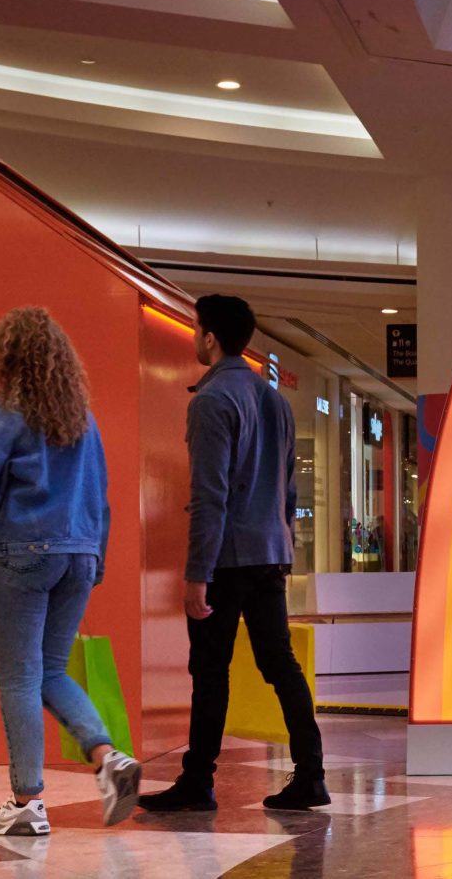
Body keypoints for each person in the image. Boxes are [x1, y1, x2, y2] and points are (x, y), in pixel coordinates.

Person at [0, 307, 142, 834]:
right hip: (79, 555)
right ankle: (108, 758)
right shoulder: (82, 422)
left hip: (19, 557)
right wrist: (94, 561)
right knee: (50, 671)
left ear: (5, 358)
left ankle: (27, 802)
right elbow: (100, 497)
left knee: (20, 679)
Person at [141, 295, 328, 813]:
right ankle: (311, 774)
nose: (194, 337)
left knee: (210, 669)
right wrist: (283, 546)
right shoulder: (274, 401)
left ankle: (197, 781)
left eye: (195, 328)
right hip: (269, 555)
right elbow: (289, 490)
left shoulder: (211, 400)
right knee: (280, 663)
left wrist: (196, 574)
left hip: (225, 558)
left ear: (210, 337)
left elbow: (210, 496)